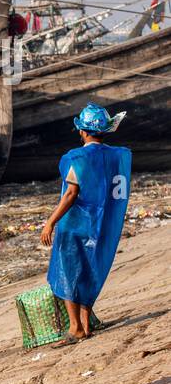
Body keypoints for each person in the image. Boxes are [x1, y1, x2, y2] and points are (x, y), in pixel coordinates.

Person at [40, 103, 132, 345]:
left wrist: (50, 222)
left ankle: (76, 328)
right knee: (89, 269)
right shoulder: (118, 156)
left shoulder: (75, 157)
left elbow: (71, 194)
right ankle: (85, 323)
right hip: (101, 225)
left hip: (75, 224)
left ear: (82, 131)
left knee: (68, 272)